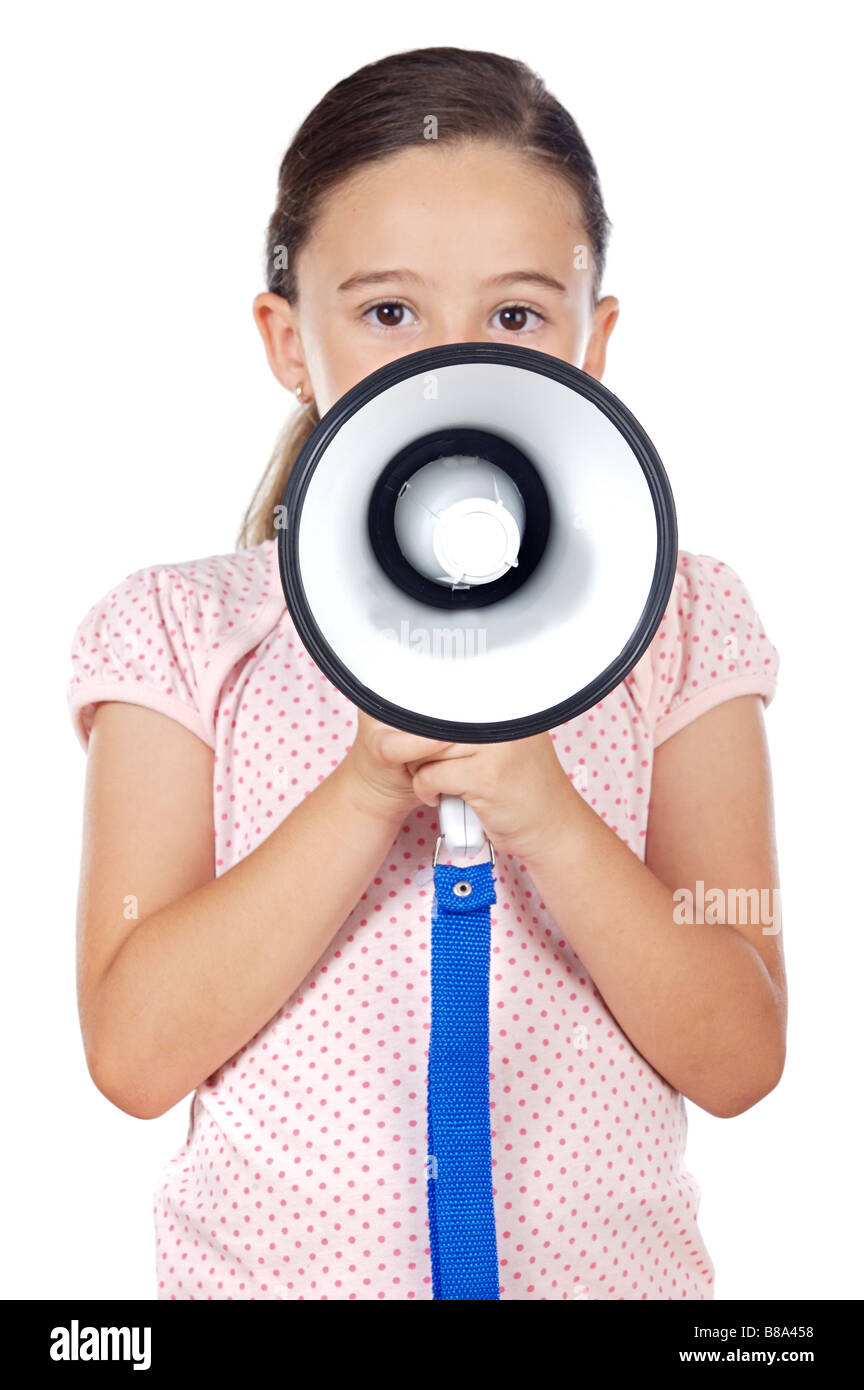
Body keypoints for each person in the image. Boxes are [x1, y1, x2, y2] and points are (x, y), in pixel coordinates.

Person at [67, 45, 786, 1301]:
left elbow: (740, 1052)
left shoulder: (679, 624)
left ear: (590, 337)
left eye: (516, 314)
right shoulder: (184, 632)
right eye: (389, 310)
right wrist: (358, 792)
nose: (457, 363)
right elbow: (134, 1054)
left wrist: (550, 816)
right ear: (289, 340)